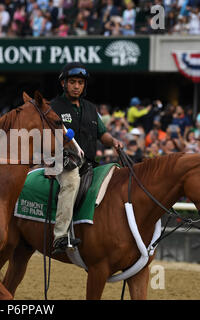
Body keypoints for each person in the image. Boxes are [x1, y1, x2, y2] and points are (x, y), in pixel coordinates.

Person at [50, 62, 123, 254]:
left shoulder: (91, 108)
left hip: (89, 163)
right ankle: (60, 236)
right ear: (63, 84)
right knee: (71, 182)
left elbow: (102, 134)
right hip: (62, 162)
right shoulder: (52, 107)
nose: (76, 86)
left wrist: (113, 141)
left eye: (80, 83)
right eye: (72, 82)